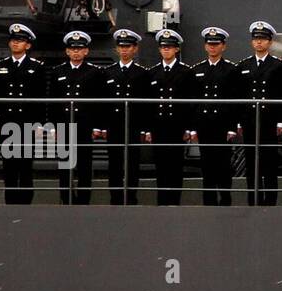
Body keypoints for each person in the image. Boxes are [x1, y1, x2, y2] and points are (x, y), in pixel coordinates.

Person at [0, 23, 46, 204]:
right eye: (13, 40)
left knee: (25, 166)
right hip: (7, 123)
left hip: (27, 123)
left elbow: (40, 98)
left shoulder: (37, 67)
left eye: (20, 41)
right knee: (9, 167)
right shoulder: (0, 66)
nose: (16, 44)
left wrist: (39, 123)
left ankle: (25, 205)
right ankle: (10, 205)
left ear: (28, 45)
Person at [235, 21, 282, 205]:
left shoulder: (278, 66)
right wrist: (239, 122)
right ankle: (253, 198)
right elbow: (240, 95)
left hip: (269, 120)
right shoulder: (243, 65)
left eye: (263, 39)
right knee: (251, 161)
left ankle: (271, 199)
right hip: (250, 120)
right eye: (256, 39)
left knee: (270, 161)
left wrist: (281, 122)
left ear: (270, 42)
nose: (259, 42)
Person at [51, 30, 104, 205]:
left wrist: (97, 127)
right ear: (67, 51)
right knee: (65, 166)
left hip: (85, 125)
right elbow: (52, 100)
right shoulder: (58, 71)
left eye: (79, 49)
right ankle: (66, 200)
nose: (75, 52)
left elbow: (98, 102)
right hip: (64, 125)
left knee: (84, 166)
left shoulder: (94, 72)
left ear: (86, 51)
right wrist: (52, 126)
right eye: (72, 49)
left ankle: (83, 201)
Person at [190, 27, 239, 206]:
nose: (212, 47)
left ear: (223, 46)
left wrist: (233, 127)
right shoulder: (197, 70)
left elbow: (235, 100)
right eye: (210, 44)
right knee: (207, 164)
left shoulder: (231, 70)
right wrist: (193, 127)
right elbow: (193, 101)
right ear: (205, 46)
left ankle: (225, 198)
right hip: (204, 124)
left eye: (216, 44)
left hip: (223, 125)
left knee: (224, 165)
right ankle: (208, 200)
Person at [146, 29, 192, 206]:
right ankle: (162, 201)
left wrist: (188, 128)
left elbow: (189, 102)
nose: (166, 50)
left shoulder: (185, 72)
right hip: (158, 126)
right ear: (159, 49)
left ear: (176, 49)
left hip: (177, 126)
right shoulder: (153, 73)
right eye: (163, 47)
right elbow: (149, 103)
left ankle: (175, 201)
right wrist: (148, 129)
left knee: (175, 166)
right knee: (161, 165)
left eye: (170, 47)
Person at [99, 29, 146, 204]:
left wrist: (145, 128)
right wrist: (101, 126)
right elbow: (103, 102)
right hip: (114, 124)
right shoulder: (108, 73)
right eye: (121, 46)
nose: (124, 49)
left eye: (128, 46)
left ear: (135, 49)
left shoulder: (142, 74)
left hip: (133, 125)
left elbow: (145, 104)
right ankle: (115, 198)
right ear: (117, 49)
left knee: (133, 164)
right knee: (115, 164)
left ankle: (132, 197)